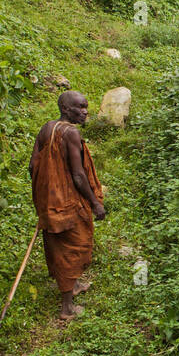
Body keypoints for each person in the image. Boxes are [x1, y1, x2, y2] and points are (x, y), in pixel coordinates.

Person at [29, 91, 105, 319]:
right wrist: (94, 203)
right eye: (79, 107)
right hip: (68, 202)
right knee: (74, 246)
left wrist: (46, 194)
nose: (85, 112)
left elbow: (33, 166)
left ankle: (73, 284)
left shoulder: (46, 128)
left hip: (50, 201)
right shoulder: (71, 133)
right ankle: (67, 307)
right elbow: (78, 175)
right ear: (65, 108)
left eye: (86, 107)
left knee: (58, 245)